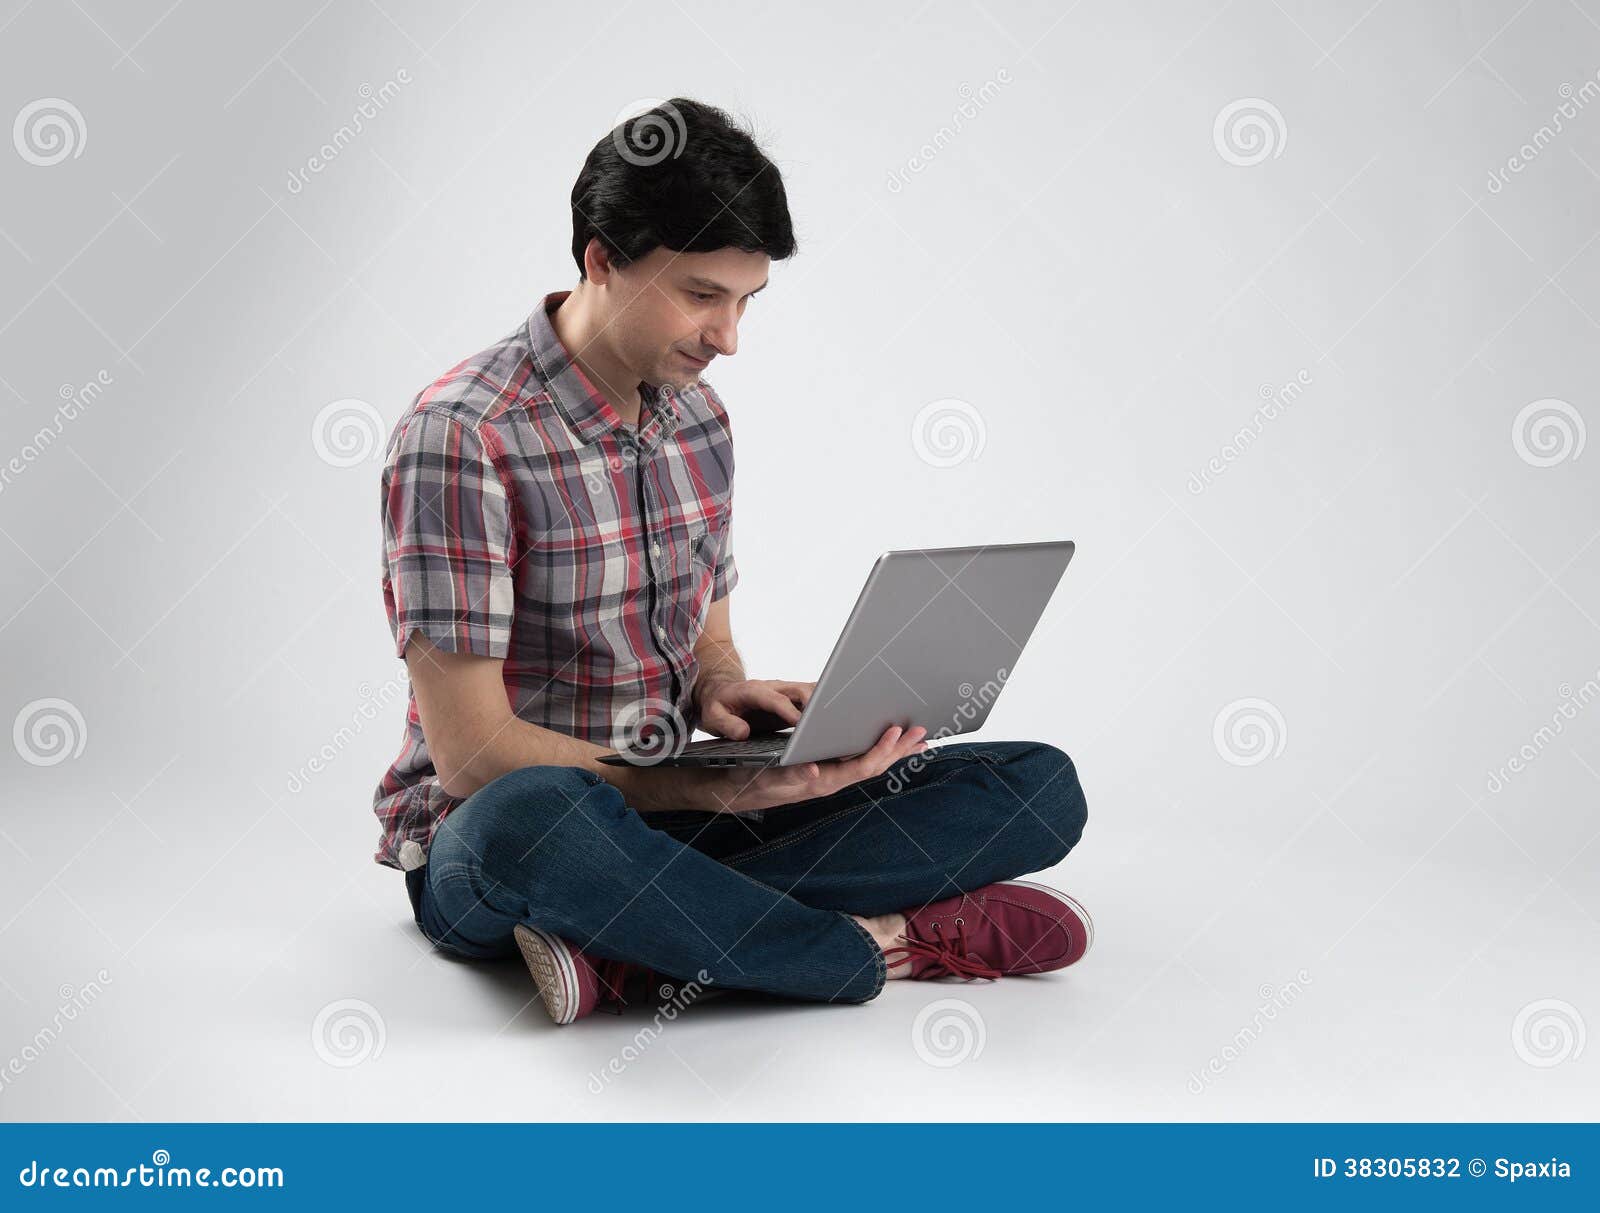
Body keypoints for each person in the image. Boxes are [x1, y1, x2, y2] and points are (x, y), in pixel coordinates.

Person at [372, 98, 1091, 1023]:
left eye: (747, 300)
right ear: (602, 259)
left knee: (1035, 787)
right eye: (702, 294)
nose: (729, 337)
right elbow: (473, 753)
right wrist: (702, 785)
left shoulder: (699, 420)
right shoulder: (462, 435)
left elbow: (709, 639)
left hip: (683, 807)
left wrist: (726, 697)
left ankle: (638, 944)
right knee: (538, 821)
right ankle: (871, 944)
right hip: (512, 831)